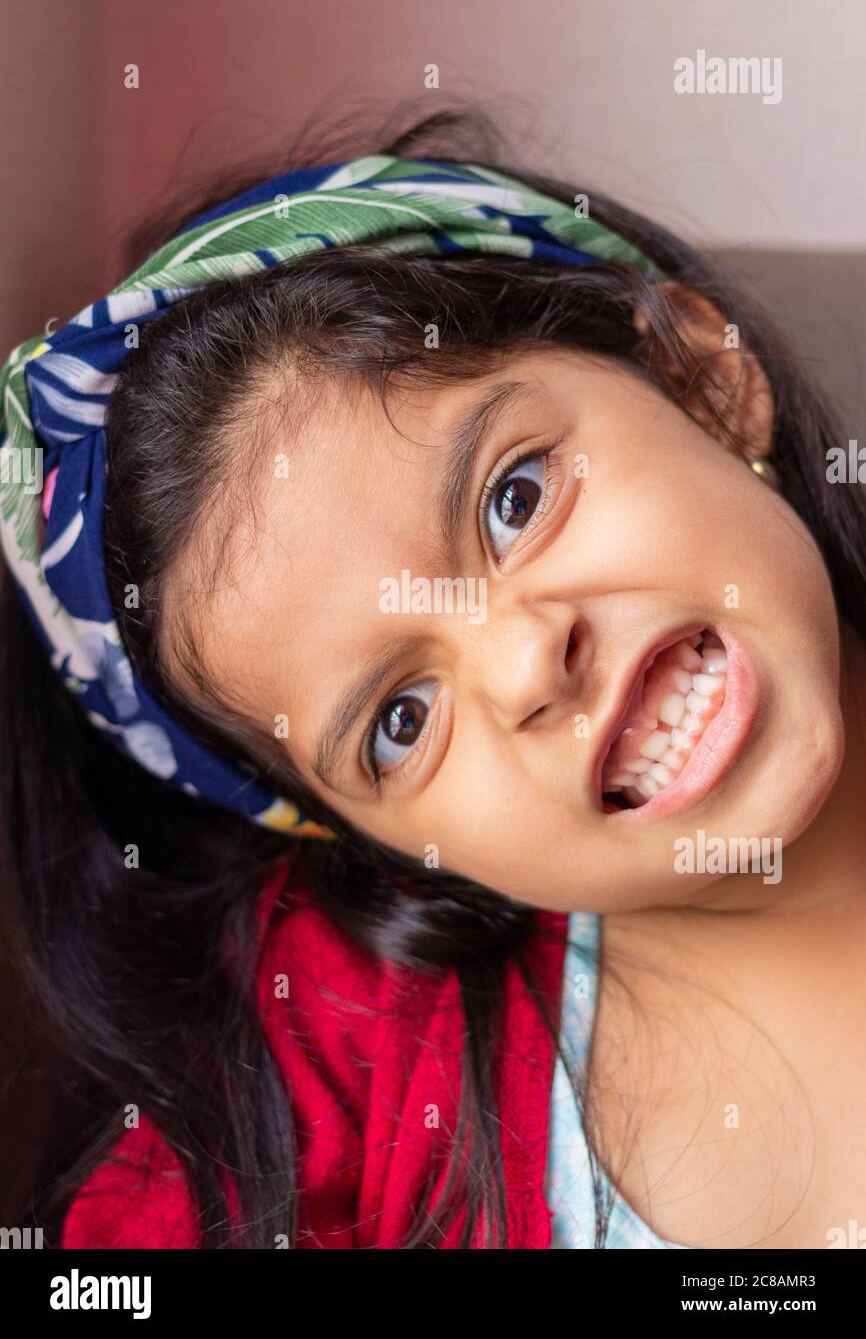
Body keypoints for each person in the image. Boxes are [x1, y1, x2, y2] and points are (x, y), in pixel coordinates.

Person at [1, 108, 862, 1249]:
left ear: (697, 377)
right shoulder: (322, 1080)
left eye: (513, 500)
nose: (521, 666)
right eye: (399, 721)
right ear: (383, 850)